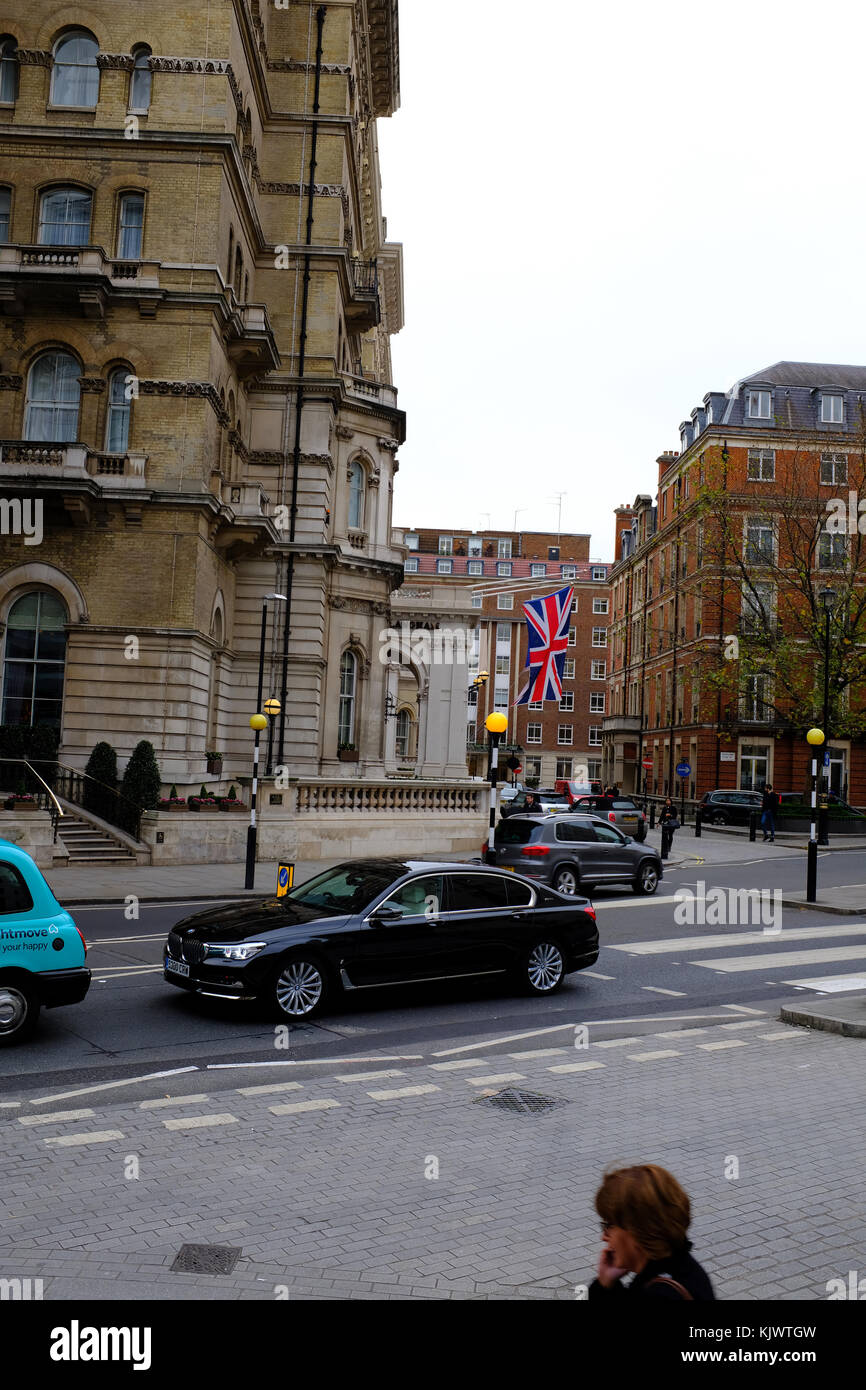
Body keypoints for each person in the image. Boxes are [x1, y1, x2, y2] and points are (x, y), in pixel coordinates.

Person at [589, 1163, 715, 1301]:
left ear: (636, 1230)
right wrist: (606, 1283)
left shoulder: (659, 1294)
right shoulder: (682, 1267)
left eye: (608, 1226)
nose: (604, 1237)